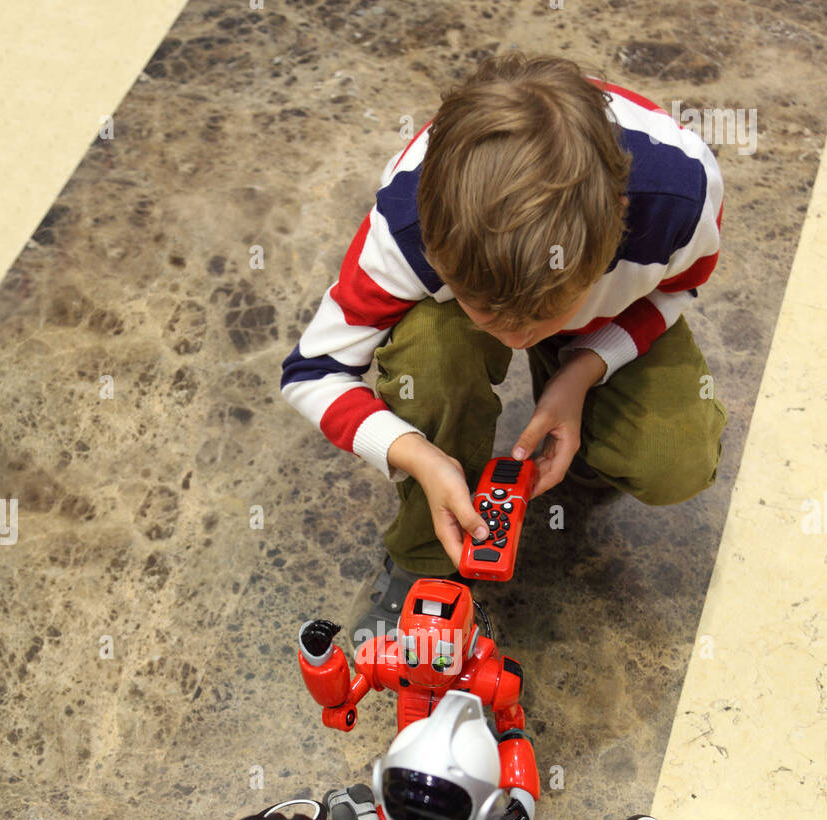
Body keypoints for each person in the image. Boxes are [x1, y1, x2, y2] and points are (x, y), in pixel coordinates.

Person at [281, 52, 727, 649]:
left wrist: (584, 365)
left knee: (672, 459)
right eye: (484, 309)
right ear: (434, 249)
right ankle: (422, 558)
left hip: (599, 311)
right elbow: (312, 372)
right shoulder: (407, 224)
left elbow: (676, 288)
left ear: (618, 225)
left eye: (545, 315)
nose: (516, 337)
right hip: (504, 297)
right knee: (435, 359)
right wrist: (416, 453)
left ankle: (590, 436)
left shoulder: (683, 197)